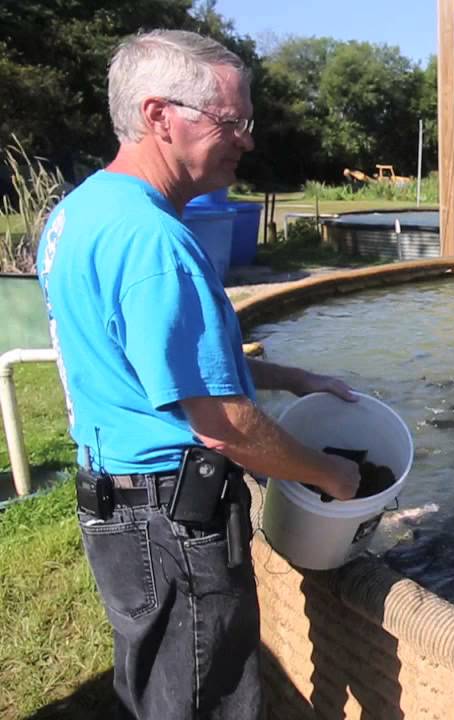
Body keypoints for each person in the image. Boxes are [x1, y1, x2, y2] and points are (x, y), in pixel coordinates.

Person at [36, 29, 361, 719]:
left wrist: (293, 377)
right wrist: (333, 479)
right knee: (203, 696)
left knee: (158, 681)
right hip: (173, 519)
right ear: (160, 117)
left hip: (114, 507)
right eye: (231, 121)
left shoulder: (80, 211)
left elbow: (146, 358)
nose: (246, 139)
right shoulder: (155, 239)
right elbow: (221, 426)